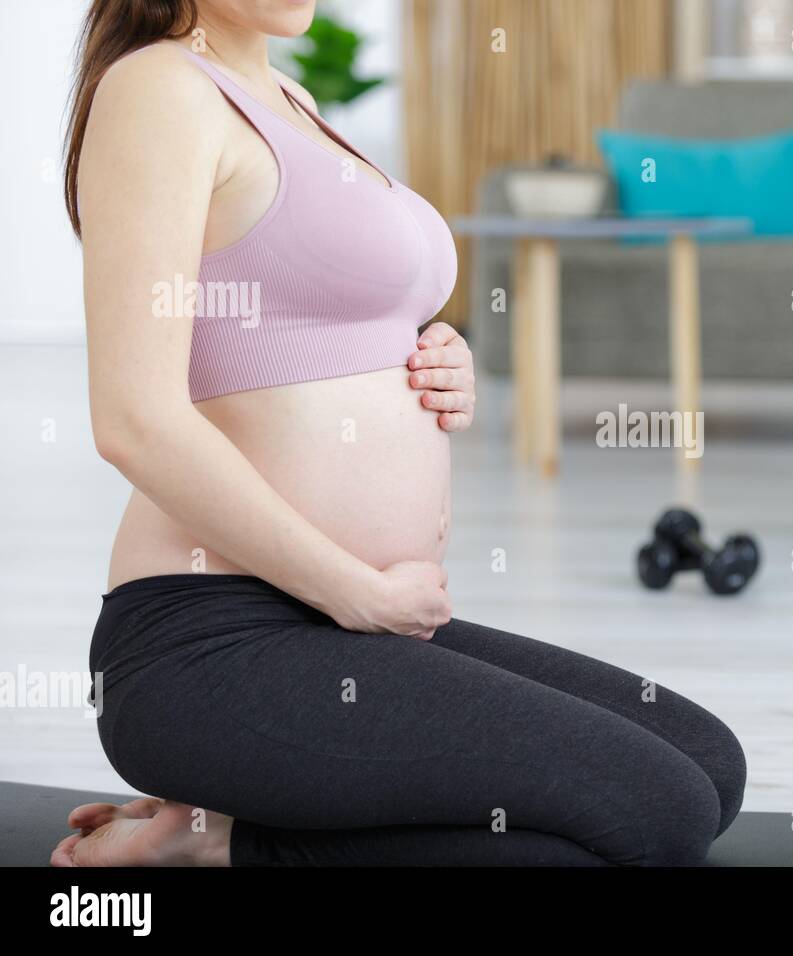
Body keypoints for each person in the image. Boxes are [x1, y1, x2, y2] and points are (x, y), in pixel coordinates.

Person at [52, 0, 745, 867]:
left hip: (342, 626)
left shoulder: (291, 96)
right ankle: (215, 847)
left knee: (710, 767)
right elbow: (133, 420)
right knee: (658, 812)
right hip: (215, 639)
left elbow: (302, 312)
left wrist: (426, 350)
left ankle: (225, 820)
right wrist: (353, 590)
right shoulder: (157, 88)